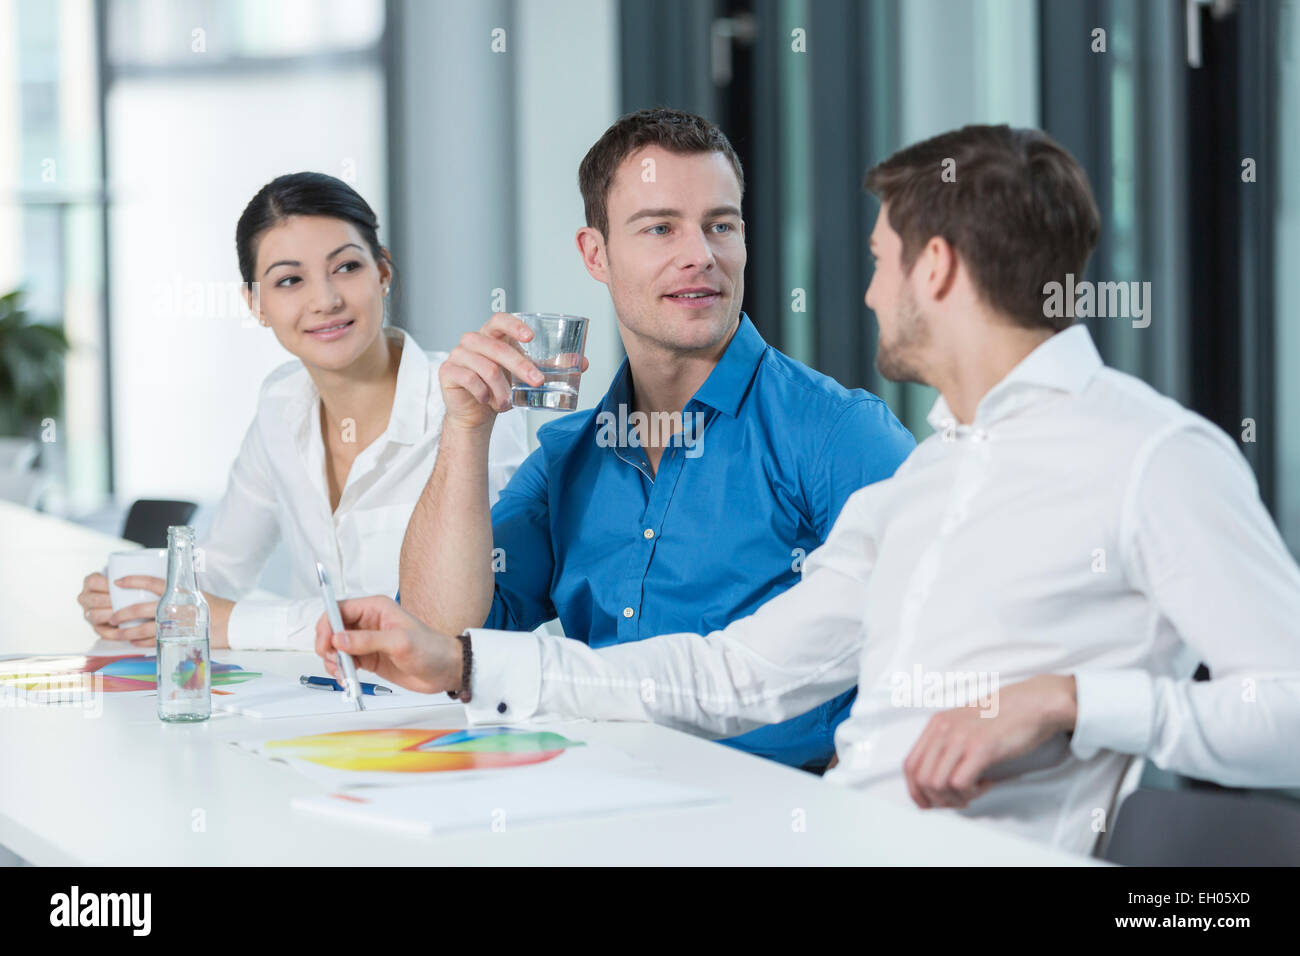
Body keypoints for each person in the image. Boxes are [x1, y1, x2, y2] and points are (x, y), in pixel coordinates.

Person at [315, 126, 1300, 855]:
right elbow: (729, 676)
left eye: (879, 263)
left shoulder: (1150, 453)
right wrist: (459, 658)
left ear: (938, 268)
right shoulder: (935, 475)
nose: (868, 293)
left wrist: (1074, 699)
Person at [396, 107, 915, 771]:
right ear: (596, 254)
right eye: (661, 227)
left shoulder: (836, 432)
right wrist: (466, 430)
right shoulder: (566, 460)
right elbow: (439, 639)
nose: (700, 254)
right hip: (606, 799)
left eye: (720, 225)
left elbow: (946, 629)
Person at [76, 172, 528, 649]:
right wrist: (136, 592)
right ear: (256, 303)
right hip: (315, 700)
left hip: (452, 709)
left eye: (347, 268)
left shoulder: (473, 404)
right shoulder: (281, 404)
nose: (326, 300)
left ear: (383, 272)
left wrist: (233, 623)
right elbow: (224, 566)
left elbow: (452, 621)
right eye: (290, 280)